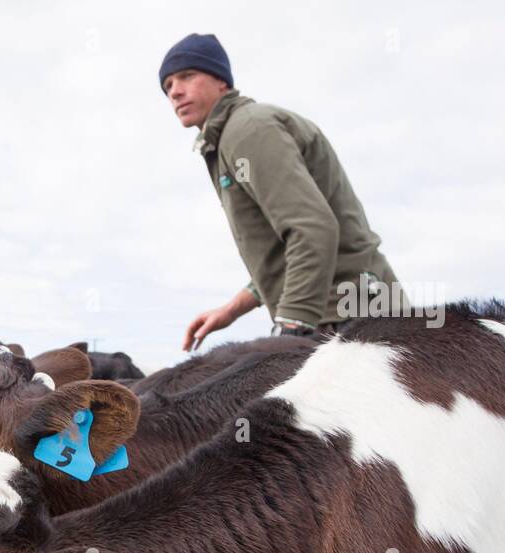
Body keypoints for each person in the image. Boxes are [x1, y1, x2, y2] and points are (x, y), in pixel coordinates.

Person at [160, 33, 401, 350]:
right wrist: (231, 311)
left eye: (187, 76)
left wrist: (291, 329)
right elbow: (285, 253)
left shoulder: (247, 130)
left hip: (355, 320)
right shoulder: (229, 138)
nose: (175, 91)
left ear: (221, 81)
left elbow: (312, 228)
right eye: (167, 87)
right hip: (337, 317)